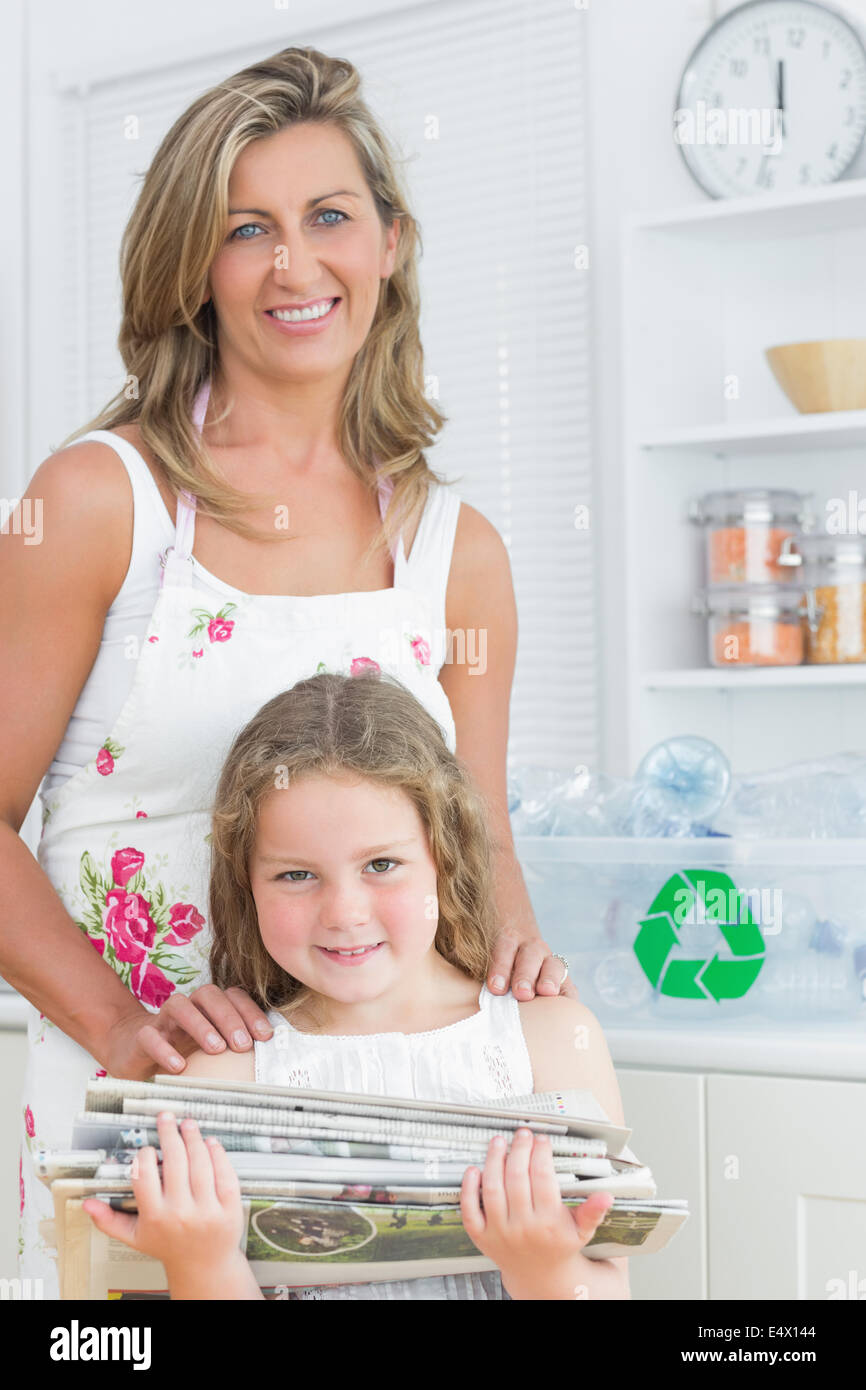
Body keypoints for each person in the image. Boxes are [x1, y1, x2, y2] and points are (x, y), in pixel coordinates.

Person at [3, 45, 576, 1295]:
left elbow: (471, 819)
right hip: (148, 1131)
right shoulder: (103, 501)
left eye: (328, 217)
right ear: (193, 269)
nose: (293, 263)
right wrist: (117, 1024)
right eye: (244, 228)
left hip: (380, 1142)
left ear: (391, 244)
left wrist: (525, 966)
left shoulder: (453, 550)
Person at [84, 670, 629, 1300]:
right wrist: (204, 1266)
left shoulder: (554, 1041)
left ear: (443, 857)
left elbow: (609, 1286)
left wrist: (542, 1267)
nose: (343, 913)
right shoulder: (219, 1076)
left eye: (381, 864)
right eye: (295, 875)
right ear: (246, 884)